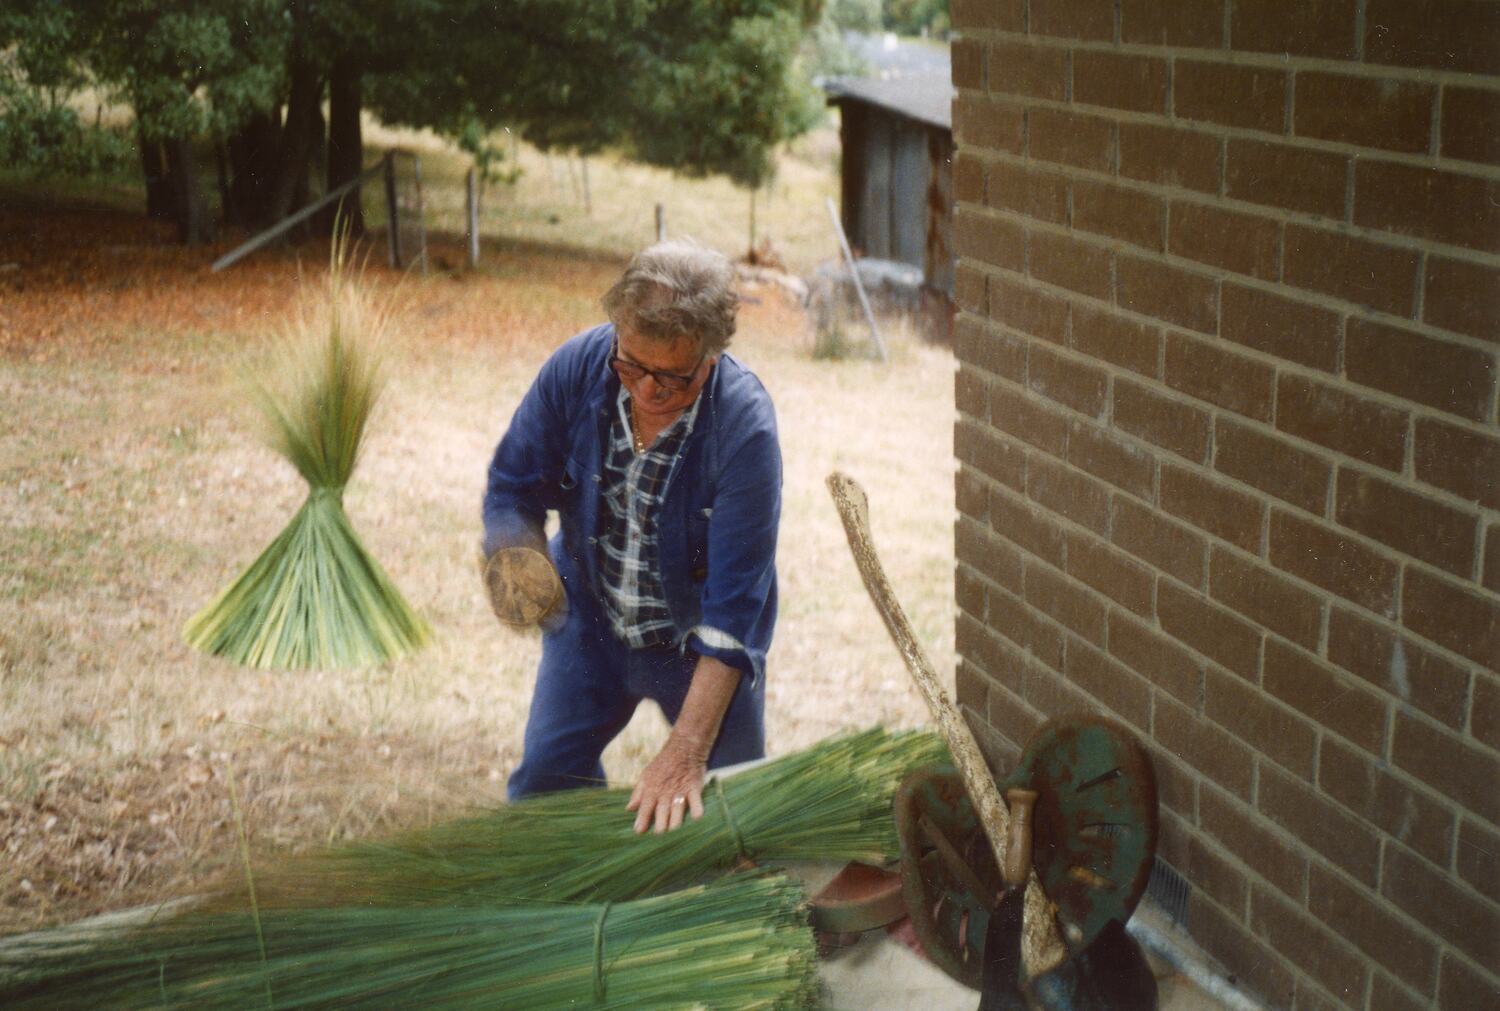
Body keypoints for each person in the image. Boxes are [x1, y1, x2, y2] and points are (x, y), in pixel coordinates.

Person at [482, 239, 781, 834]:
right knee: (544, 791)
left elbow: (732, 617)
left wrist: (688, 749)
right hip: (590, 626)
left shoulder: (746, 430)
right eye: (631, 366)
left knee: (735, 816)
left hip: (697, 647)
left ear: (711, 358)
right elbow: (513, 482)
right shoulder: (578, 367)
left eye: (670, 379)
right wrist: (514, 552)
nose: (645, 391)